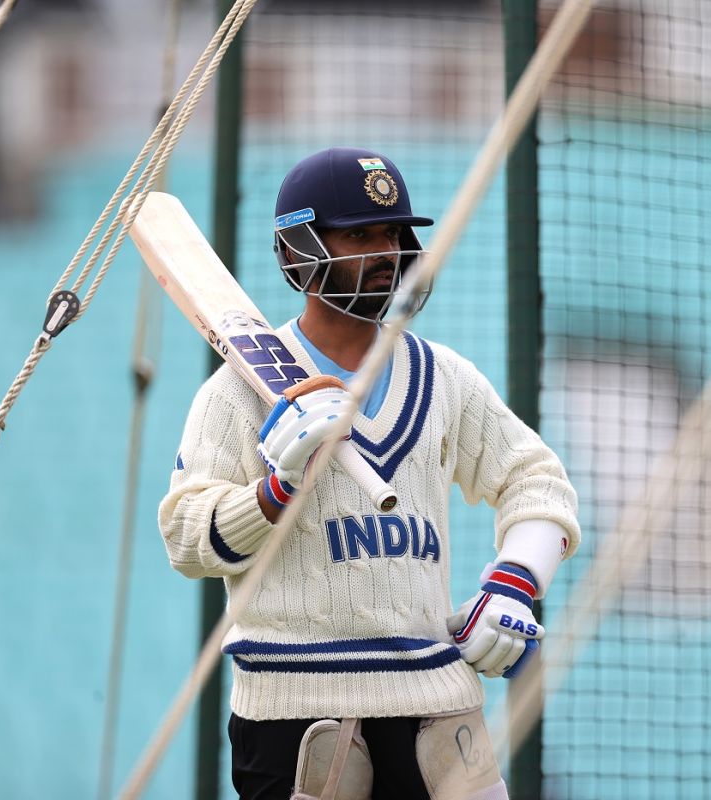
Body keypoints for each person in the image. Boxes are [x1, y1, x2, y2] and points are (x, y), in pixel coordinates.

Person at [158, 146, 580, 800]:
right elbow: (186, 541)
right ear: (300, 250)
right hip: (296, 711)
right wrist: (277, 490)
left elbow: (538, 482)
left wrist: (513, 586)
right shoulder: (235, 395)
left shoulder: (444, 378)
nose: (386, 252)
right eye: (360, 235)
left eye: (393, 234)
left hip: (436, 703)